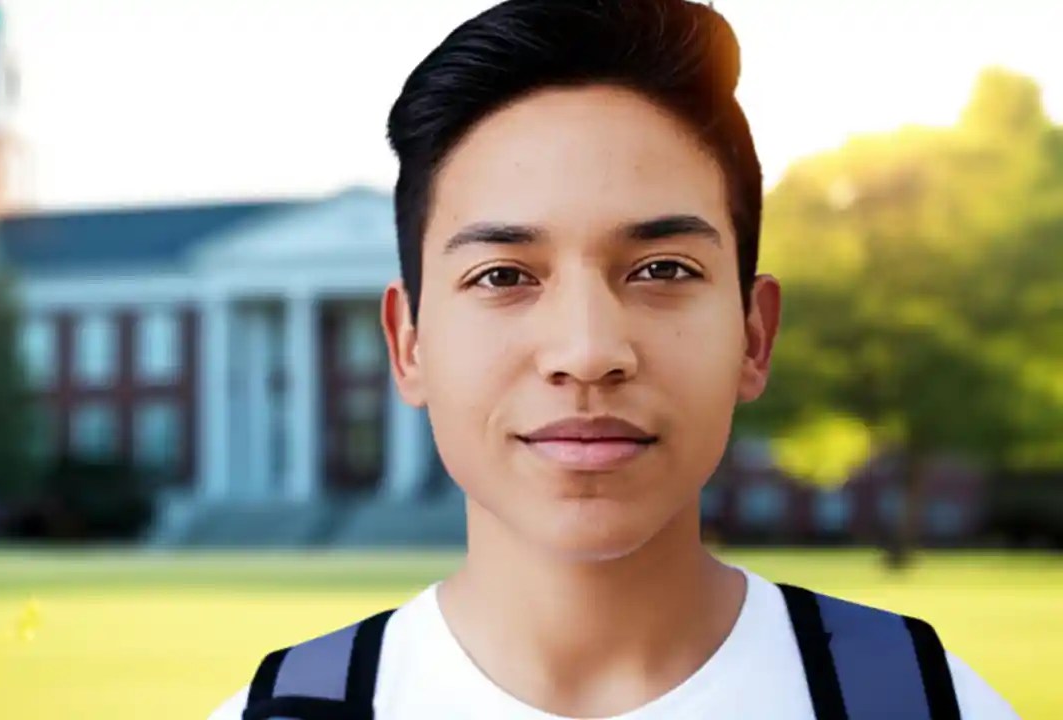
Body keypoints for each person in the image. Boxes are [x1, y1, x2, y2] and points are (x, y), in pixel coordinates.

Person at [208, 0, 1019, 717]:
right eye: (502, 276)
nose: (589, 353)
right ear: (408, 343)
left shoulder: (922, 701)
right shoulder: (288, 710)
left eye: (663, 270)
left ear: (754, 334)